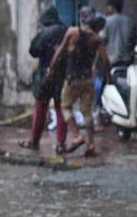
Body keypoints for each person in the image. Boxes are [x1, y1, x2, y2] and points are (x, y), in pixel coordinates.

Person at [46, 14, 111, 158]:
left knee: (65, 107)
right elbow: (106, 61)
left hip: (72, 79)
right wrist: (109, 77)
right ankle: (91, 145)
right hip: (88, 80)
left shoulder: (72, 32)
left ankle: (77, 136)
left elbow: (60, 50)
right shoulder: (96, 40)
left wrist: (51, 68)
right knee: (87, 112)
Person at [19, 6, 70, 153]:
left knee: (41, 107)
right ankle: (61, 143)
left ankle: (34, 141)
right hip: (63, 74)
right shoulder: (66, 30)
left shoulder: (45, 33)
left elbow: (33, 51)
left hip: (45, 74)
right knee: (61, 108)